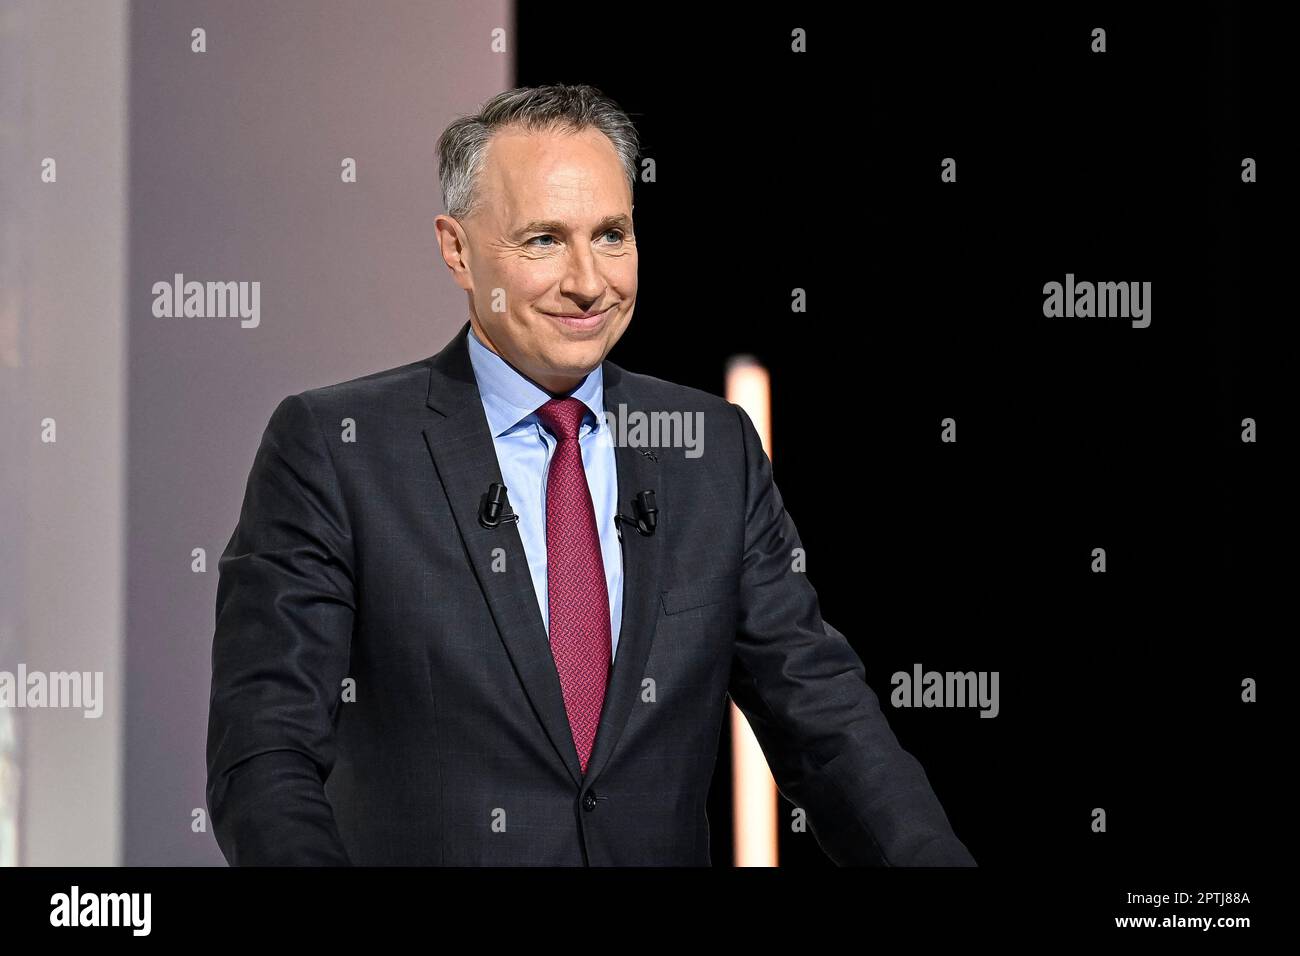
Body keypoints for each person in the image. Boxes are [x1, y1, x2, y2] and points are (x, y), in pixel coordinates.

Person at [206, 83, 975, 866]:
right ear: (457, 249)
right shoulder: (340, 448)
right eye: (543, 240)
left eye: (611, 235)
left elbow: (825, 721)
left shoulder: (711, 449)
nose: (587, 282)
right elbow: (264, 757)